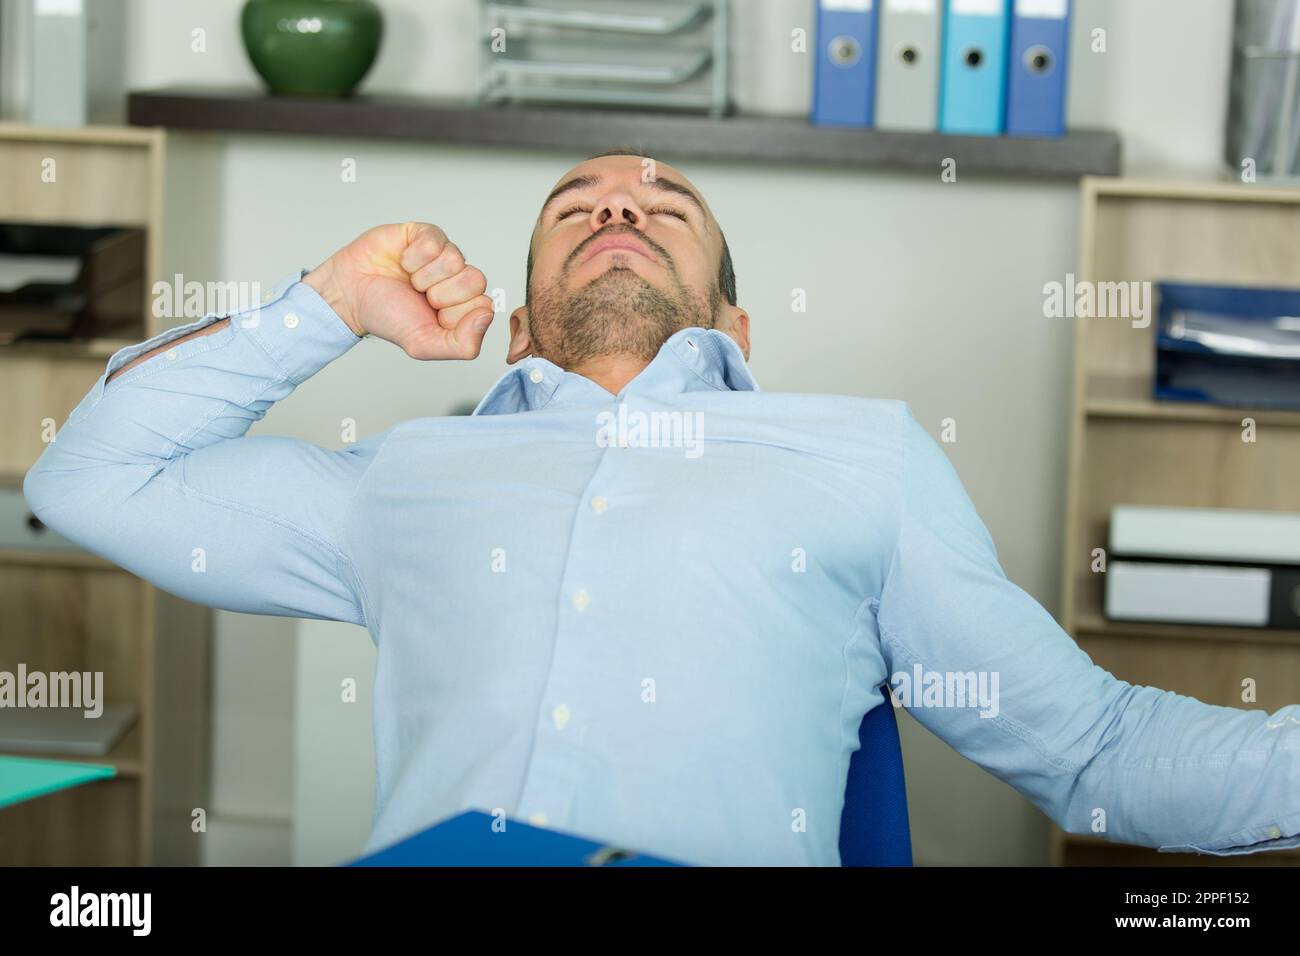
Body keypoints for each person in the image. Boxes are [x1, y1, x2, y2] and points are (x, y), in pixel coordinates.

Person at [23, 150, 1300, 866]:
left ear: (734, 327)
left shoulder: (861, 456)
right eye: (576, 209)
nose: (620, 205)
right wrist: (333, 300)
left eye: (663, 206)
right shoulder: (400, 475)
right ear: (519, 328)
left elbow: (1095, 750)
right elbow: (90, 478)